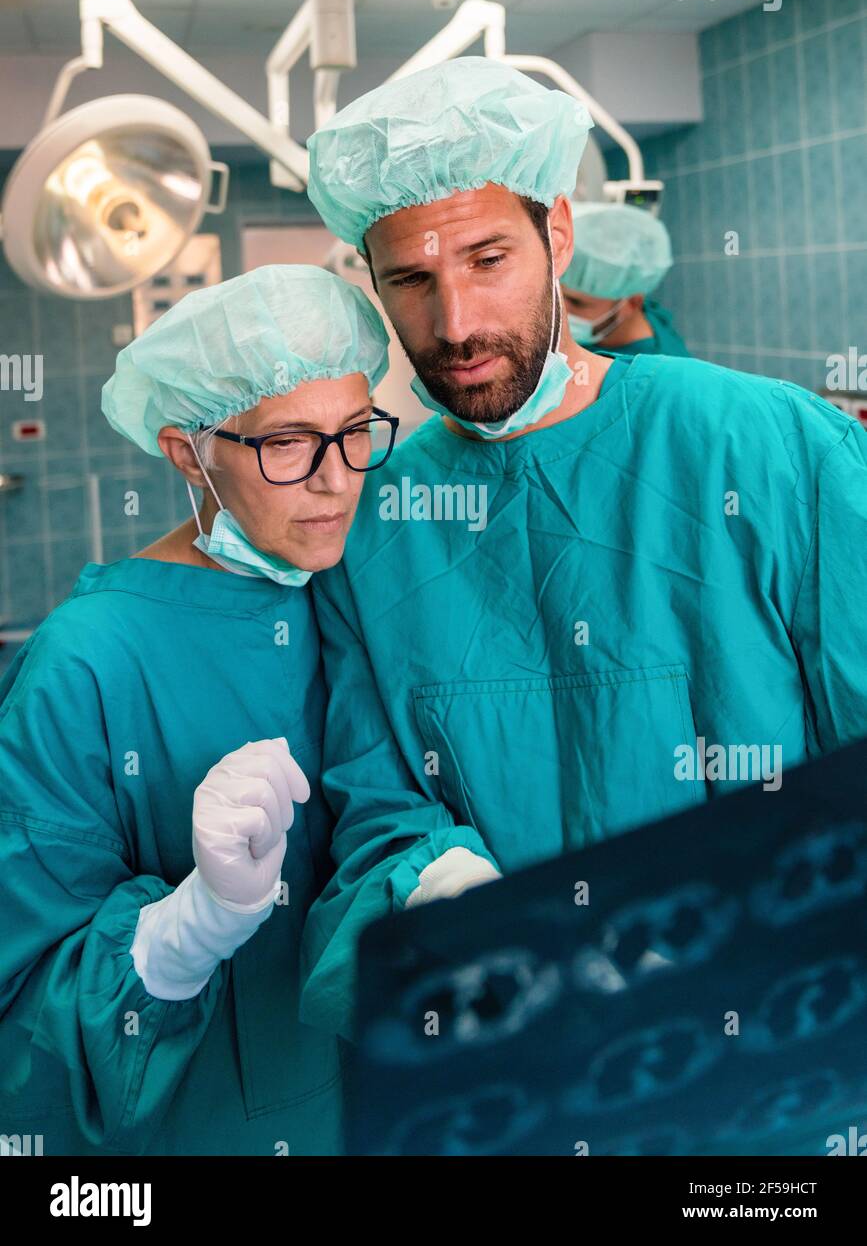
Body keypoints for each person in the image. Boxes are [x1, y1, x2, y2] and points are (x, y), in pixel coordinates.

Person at [298, 55, 867, 1054]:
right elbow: (377, 798)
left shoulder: (770, 449)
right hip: (529, 1049)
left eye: (486, 259)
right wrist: (443, 883)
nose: (457, 325)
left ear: (558, 234)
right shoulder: (375, 531)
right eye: (412, 280)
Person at [0, 264, 395, 1154]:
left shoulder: (351, 595)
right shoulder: (88, 661)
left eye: (356, 431)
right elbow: (21, 1015)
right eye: (288, 444)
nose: (335, 483)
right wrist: (183, 932)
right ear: (188, 451)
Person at [561, 201, 690, 355]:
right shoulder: (631, 308)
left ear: (632, 303)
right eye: (556, 292)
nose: (560, 308)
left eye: (576, 303)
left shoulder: (652, 371)